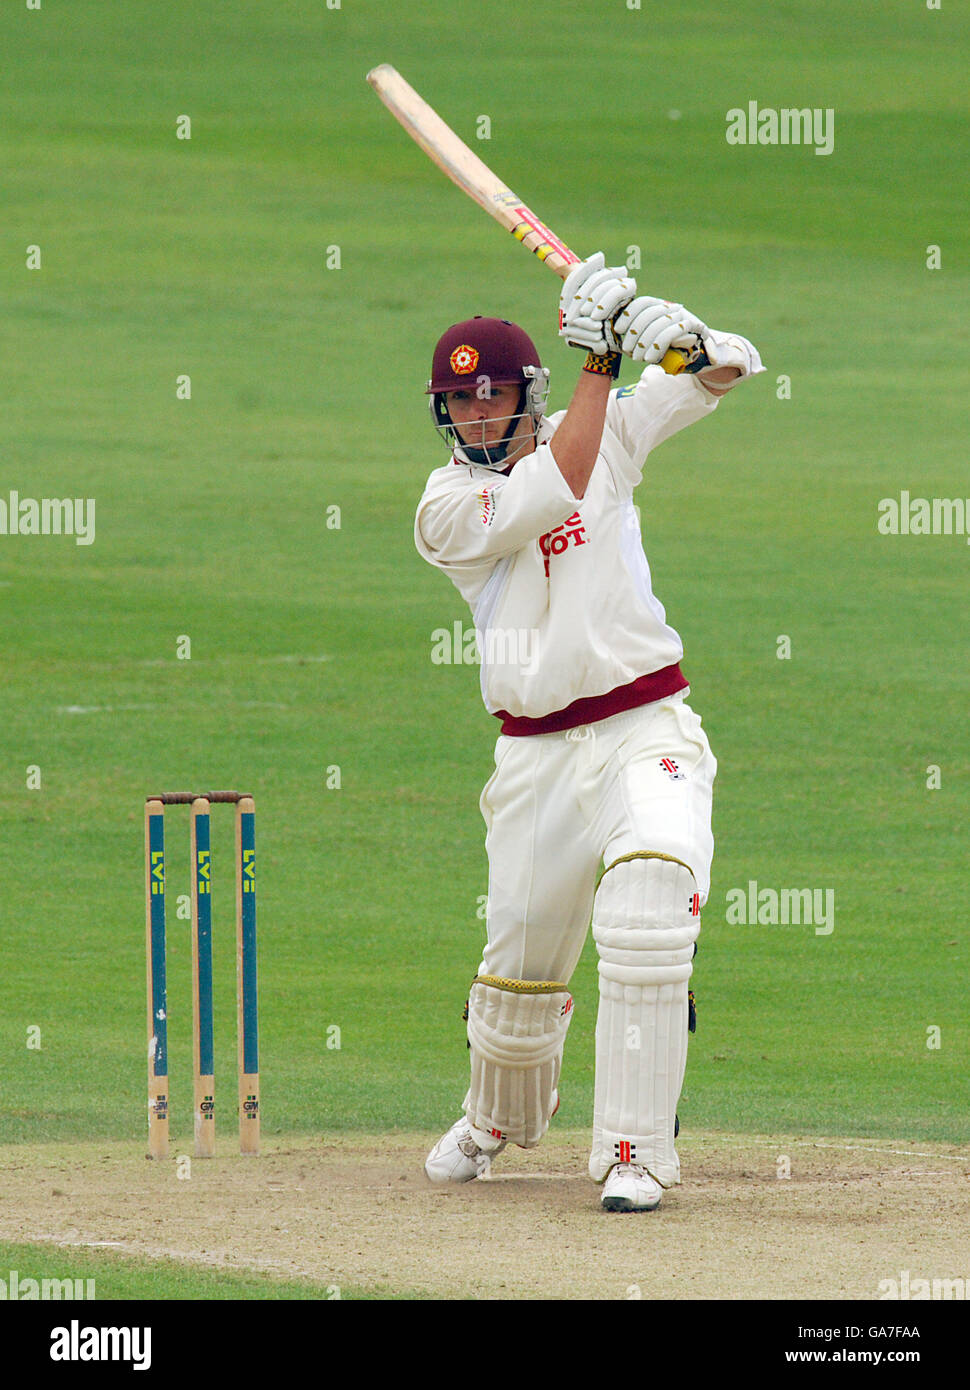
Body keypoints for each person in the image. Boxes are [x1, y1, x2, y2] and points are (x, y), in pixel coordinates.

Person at [414, 253, 762, 1210]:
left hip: (643, 724)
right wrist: (603, 362)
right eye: (460, 406)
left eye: (491, 401)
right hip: (532, 756)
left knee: (649, 898)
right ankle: (497, 1117)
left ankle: (634, 1153)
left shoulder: (597, 428)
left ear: (526, 394)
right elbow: (558, 488)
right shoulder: (446, 507)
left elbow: (732, 364)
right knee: (519, 967)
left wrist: (671, 334)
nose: (477, 419)